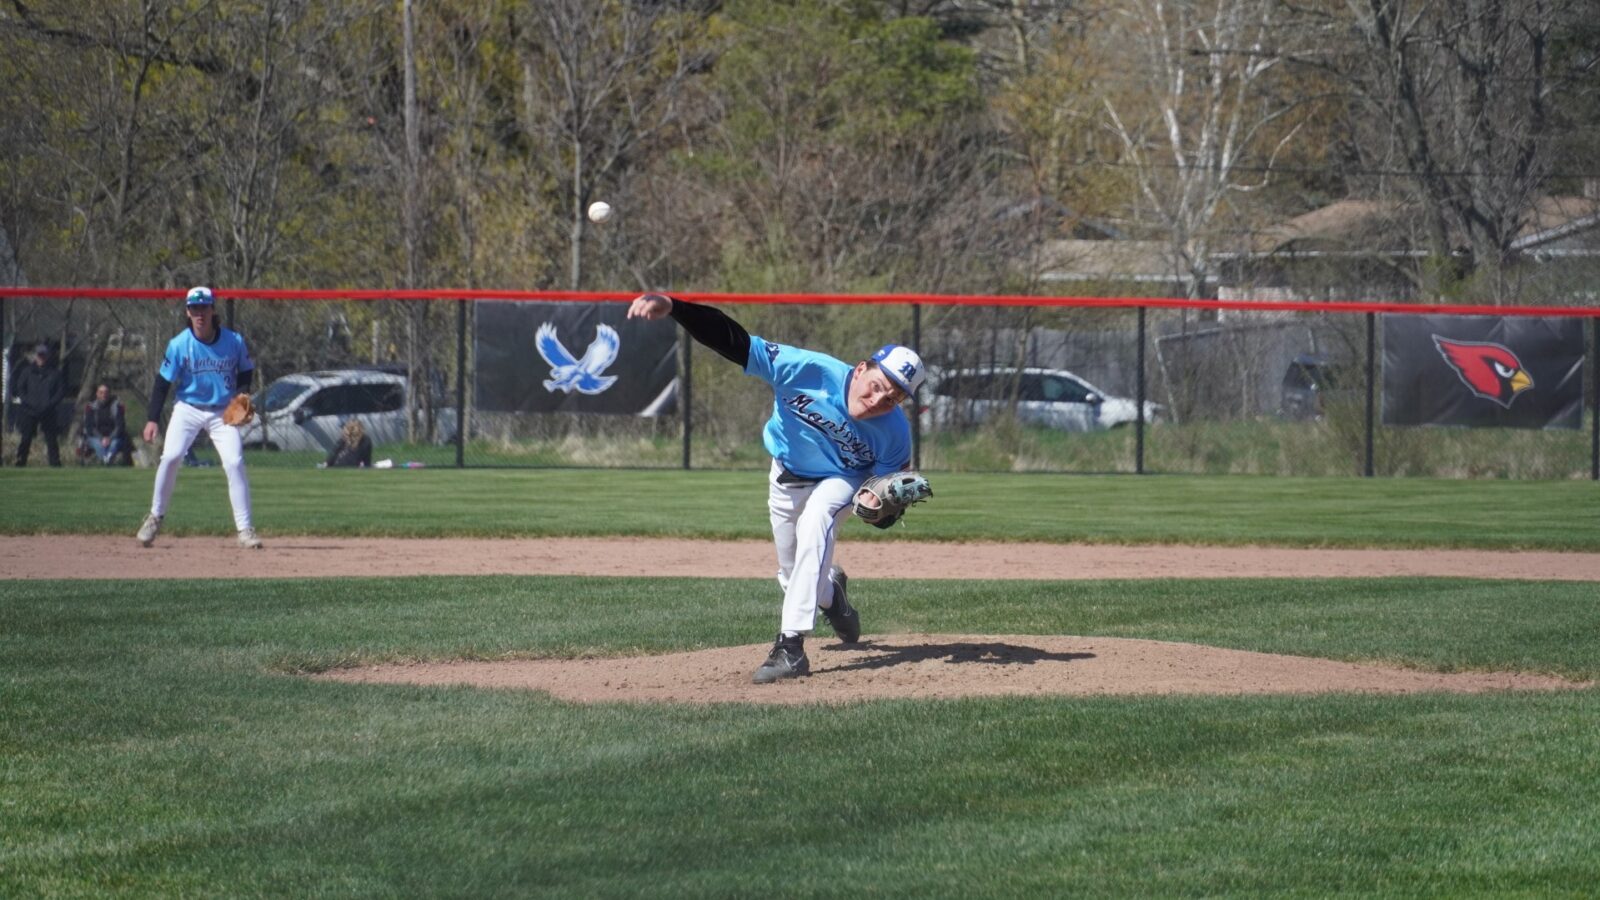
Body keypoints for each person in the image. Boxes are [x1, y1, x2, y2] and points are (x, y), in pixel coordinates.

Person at [626, 292, 925, 683]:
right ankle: (833, 598)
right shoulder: (806, 368)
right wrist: (676, 307)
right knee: (793, 573)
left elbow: (883, 502)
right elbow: (733, 339)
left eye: (894, 397)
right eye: (878, 384)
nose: (880, 399)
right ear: (861, 367)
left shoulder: (895, 433)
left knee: (818, 519)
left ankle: (791, 648)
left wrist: (880, 507)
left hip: (842, 480)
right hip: (785, 474)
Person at [136, 286, 263, 549]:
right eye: (194, 308)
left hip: (221, 412)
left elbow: (245, 372)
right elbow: (162, 383)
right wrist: (151, 419)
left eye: (204, 307)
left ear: (212, 309)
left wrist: (240, 397)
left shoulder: (233, 341)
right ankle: (155, 517)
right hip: (188, 408)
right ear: (187, 312)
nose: (200, 313)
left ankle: (245, 529)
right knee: (170, 457)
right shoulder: (179, 344)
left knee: (234, 462)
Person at [10, 342, 67, 467]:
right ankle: (20, 462)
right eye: (39, 355)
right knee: (26, 439)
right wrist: (29, 402)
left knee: (51, 439)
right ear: (35, 356)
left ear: (47, 356)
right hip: (29, 411)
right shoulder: (27, 372)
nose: (41, 358)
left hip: (48, 410)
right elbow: (20, 389)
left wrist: (50, 404)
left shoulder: (55, 373)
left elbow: (61, 391)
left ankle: (55, 464)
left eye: (43, 355)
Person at [81, 383, 132, 465]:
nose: (103, 395)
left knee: (114, 444)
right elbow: (89, 427)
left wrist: (109, 438)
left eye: (106, 392)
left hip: (114, 437)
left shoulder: (116, 406)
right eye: (101, 392)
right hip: (95, 437)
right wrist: (101, 438)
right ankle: (107, 460)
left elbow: (120, 426)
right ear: (97, 394)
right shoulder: (91, 408)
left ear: (109, 393)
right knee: (98, 444)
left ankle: (106, 461)